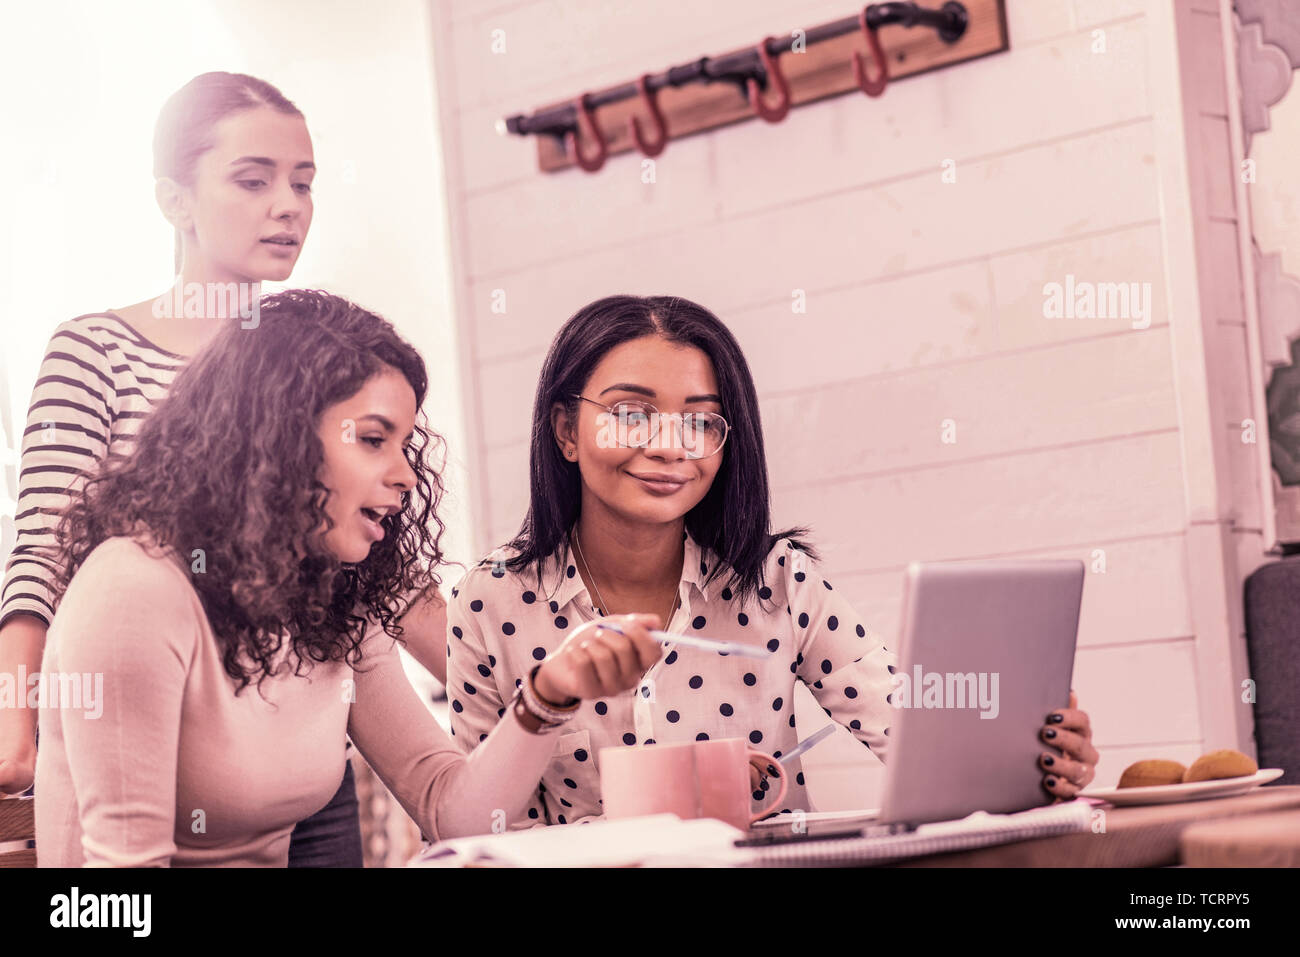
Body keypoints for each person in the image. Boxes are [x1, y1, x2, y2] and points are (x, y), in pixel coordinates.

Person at [32, 289, 660, 866]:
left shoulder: (331, 598)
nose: (405, 475)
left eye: (404, 443)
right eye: (371, 439)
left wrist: (546, 695)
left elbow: (452, 809)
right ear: (274, 438)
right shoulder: (134, 591)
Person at [0, 73, 445, 865]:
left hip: (303, 747)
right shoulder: (95, 350)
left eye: (303, 184)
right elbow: (43, 552)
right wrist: (16, 729)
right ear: (174, 199)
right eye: (254, 179)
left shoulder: (324, 363)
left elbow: (387, 578)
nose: (289, 205)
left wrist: (532, 688)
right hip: (158, 741)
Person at [446, 294, 1099, 827]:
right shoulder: (489, 600)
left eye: (702, 422)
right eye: (631, 414)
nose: (672, 447)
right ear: (566, 431)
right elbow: (470, 831)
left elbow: (907, 723)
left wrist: (1029, 756)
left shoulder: (777, 581)